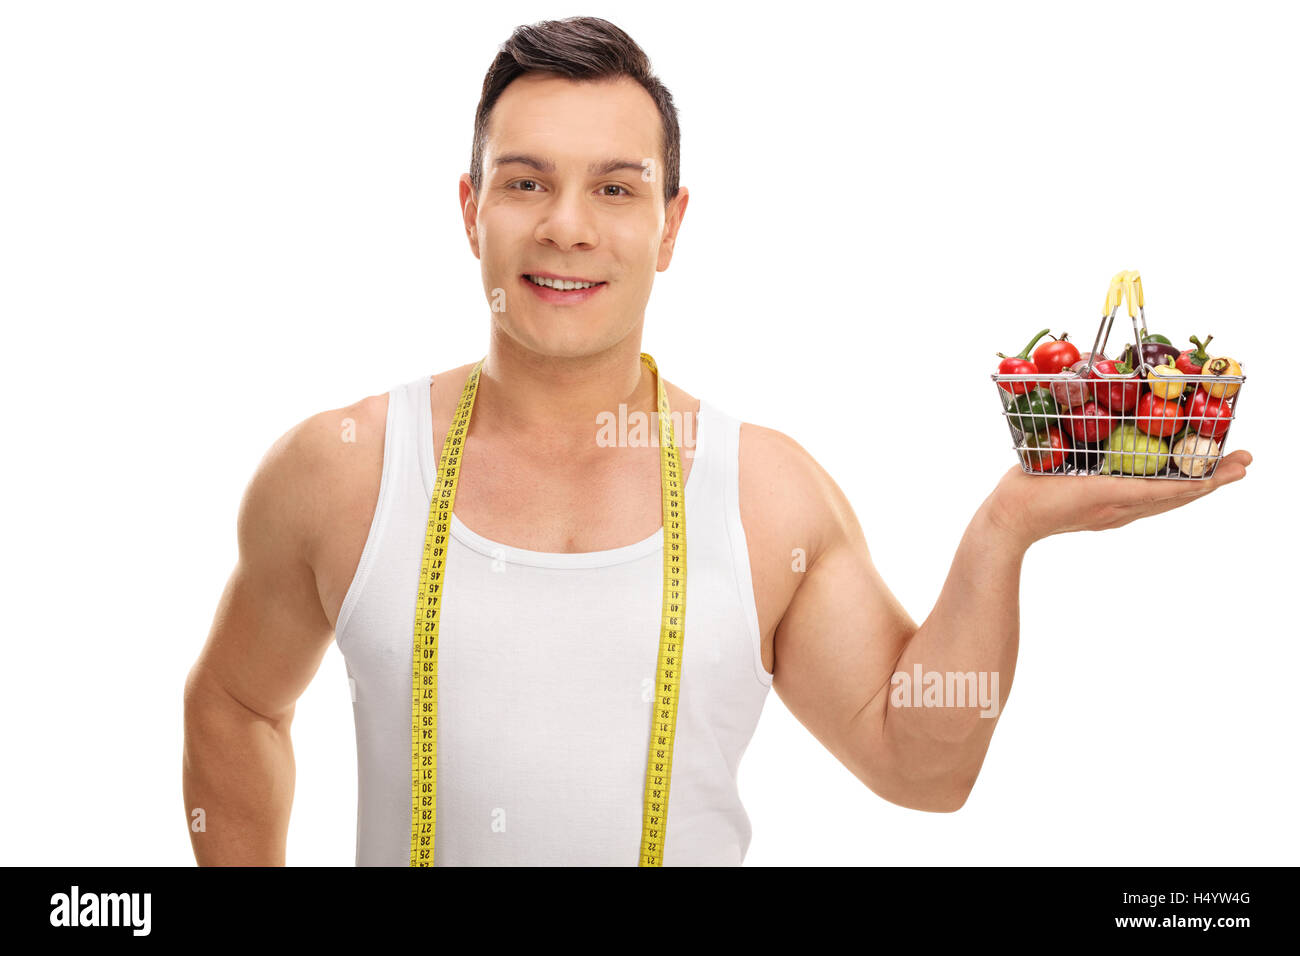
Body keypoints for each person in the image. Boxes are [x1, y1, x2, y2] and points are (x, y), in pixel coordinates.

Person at [182, 16, 1252, 866]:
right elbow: (232, 704)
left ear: (671, 224)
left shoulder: (764, 496)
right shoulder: (340, 469)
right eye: (525, 181)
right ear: (471, 212)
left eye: (615, 186)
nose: (566, 224)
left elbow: (923, 765)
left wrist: (1003, 529)